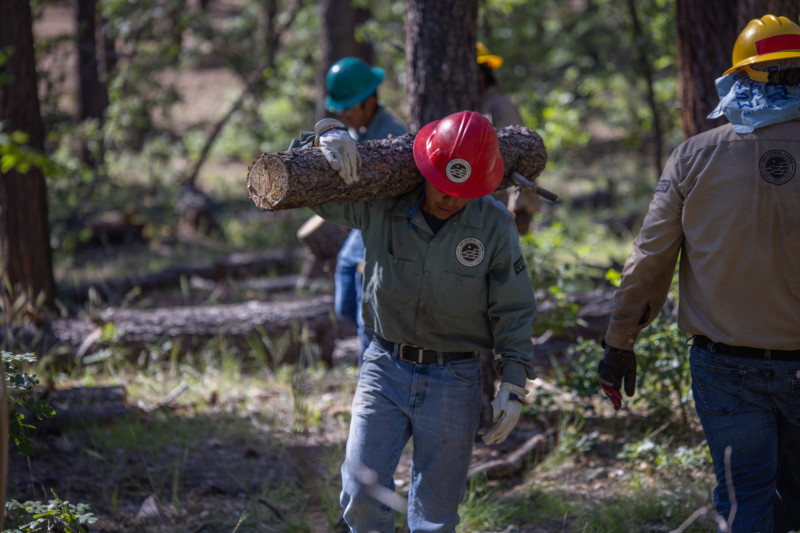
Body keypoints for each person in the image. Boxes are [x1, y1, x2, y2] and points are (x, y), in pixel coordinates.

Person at [596, 14, 800, 533]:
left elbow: (650, 258)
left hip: (726, 368)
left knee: (743, 501)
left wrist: (621, 341)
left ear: (741, 77)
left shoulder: (695, 155)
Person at [310, 110, 537, 530]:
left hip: (455, 377)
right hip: (385, 367)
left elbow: (514, 307)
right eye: (444, 185)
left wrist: (514, 380)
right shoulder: (382, 204)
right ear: (427, 168)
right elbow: (311, 191)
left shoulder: (495, 225)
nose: (451, 197)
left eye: (463, 189)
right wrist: (323, 135)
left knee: (433, 519)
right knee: (360, 496)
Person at [293, 57, 406, 361]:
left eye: (348, 110)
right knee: (345, 288)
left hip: (383, 230)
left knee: (364, 308)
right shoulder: (355, 132)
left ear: (370, 101)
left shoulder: (390, 134)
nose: (344, 116)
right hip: (360, 230)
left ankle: (370, 366)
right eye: (339, 111)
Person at [477, 42, 539, 234]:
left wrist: (520, 205)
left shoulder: (501, 108)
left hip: (499, 208)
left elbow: (518, 156)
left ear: (480, 74)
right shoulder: (480, 104)